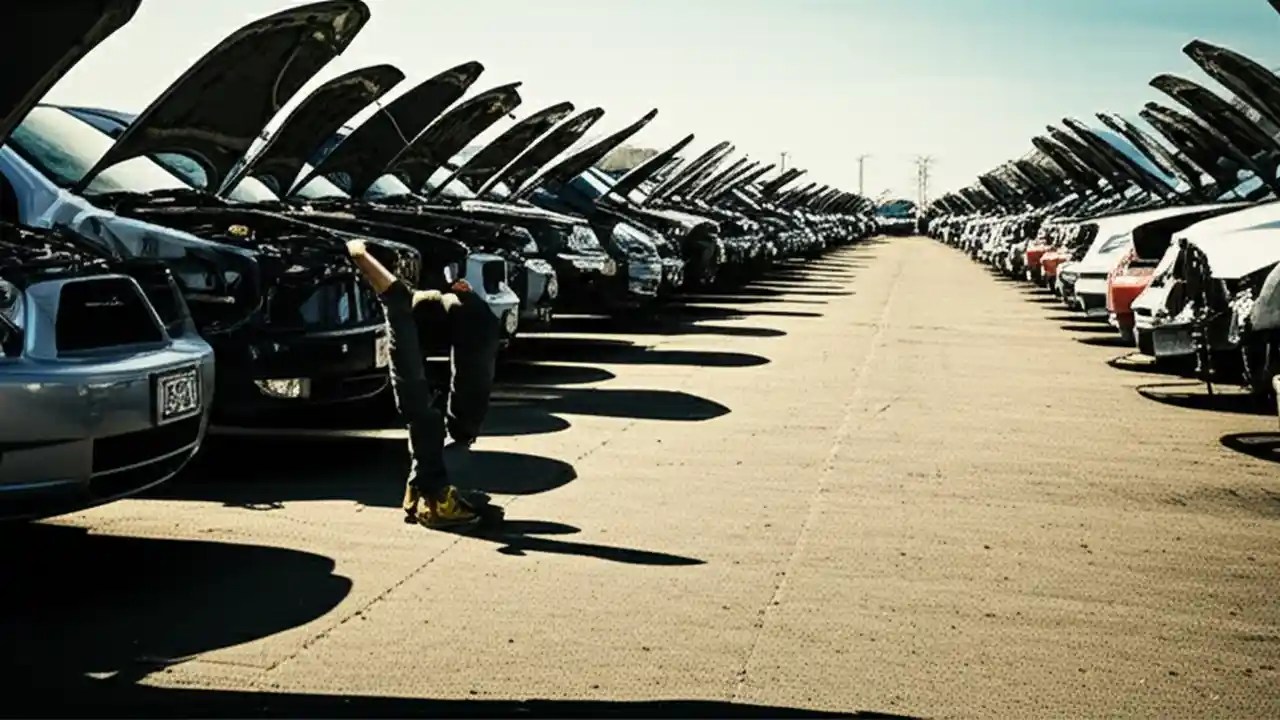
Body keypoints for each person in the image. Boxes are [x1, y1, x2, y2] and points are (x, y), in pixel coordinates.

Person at [346, 238, 494, 528]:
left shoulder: (466, 310)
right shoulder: (400, 302)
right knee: (421, 411)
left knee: (435, 411)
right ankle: (433, 497)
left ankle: (422, 488)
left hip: (466, 321)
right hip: (426, 344)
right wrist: (357, 249)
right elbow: (363, 260)